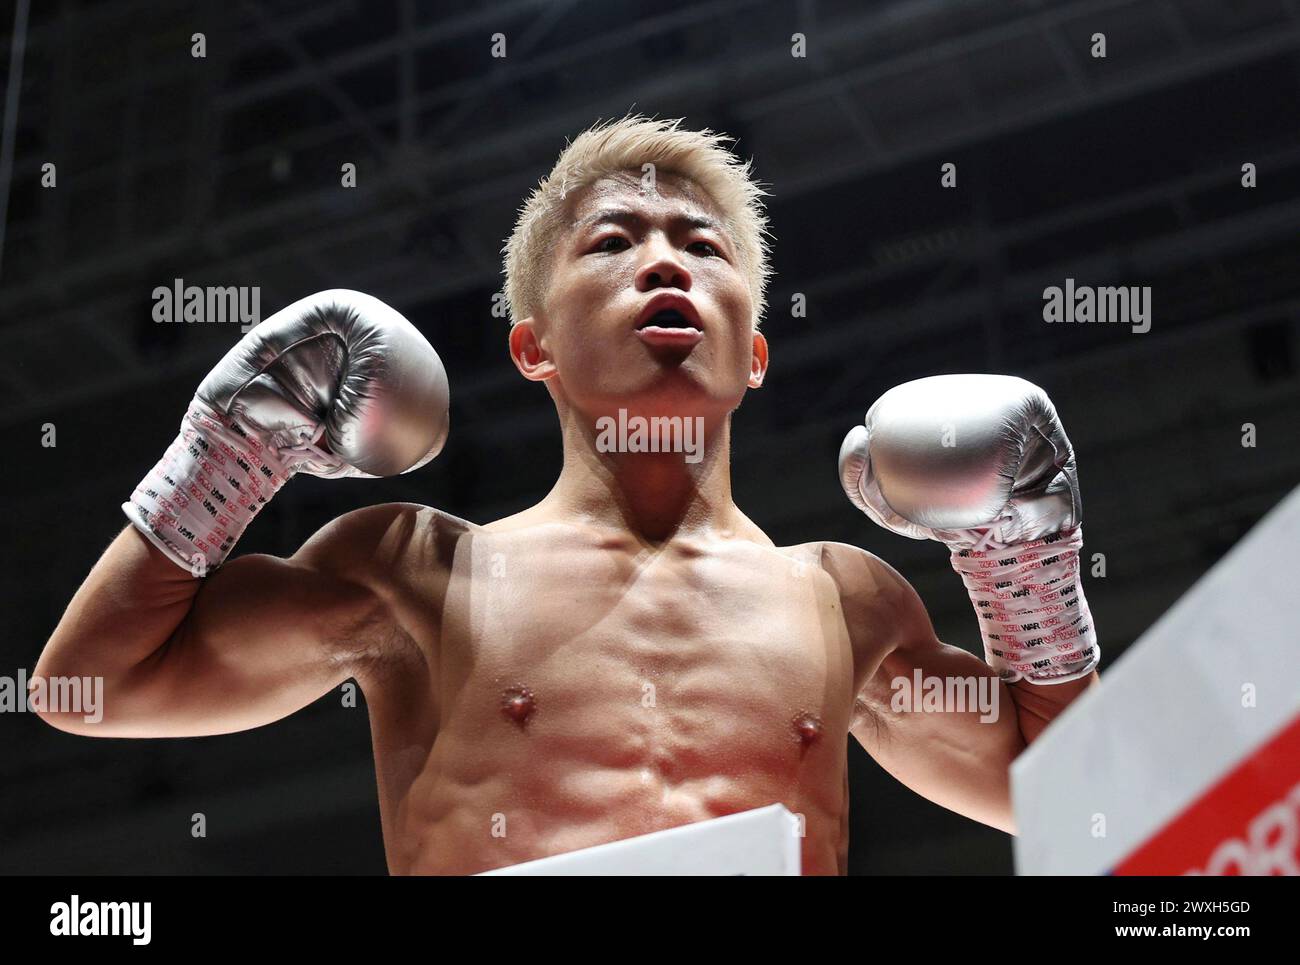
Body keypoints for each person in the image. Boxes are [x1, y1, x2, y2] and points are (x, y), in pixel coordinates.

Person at [33, 116, 1098, 875]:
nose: (666, 265)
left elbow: (1079, 798)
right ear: (532, 346)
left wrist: (1026, 564)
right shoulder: (413, 571)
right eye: (614, 241)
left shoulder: (843, 599)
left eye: (702, 245)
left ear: (756, 355)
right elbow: (93, 686)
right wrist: (230, 451)